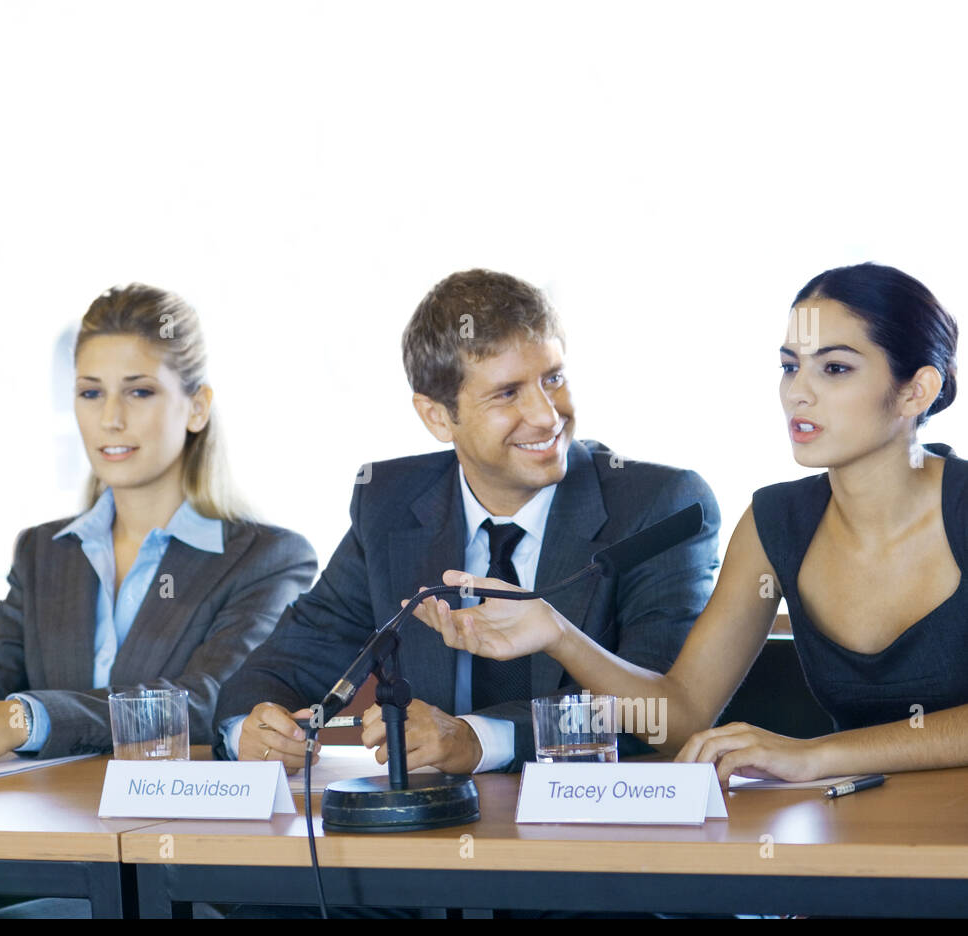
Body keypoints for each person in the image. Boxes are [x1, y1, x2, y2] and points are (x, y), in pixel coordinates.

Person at [412, 262, 968, 783]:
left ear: (915, 390)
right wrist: (558, 635)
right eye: (790, 366)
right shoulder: (775, 522)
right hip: (868, 831)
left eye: (836, 368)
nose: (798, 392)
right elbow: (679, 719)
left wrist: (814, 753)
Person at [0, 282, 316, 917]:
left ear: (196, 407)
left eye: (139, 391)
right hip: (48, 843)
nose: (111, 418)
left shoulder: (267, 556)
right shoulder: (44, 551)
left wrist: (21, 719)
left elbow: (207, 703)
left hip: (182, 863)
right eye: (90, 393)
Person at [214, 268, 721, 775]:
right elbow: (289, 661)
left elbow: (658, 713)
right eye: (507, 393)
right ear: (437, 417)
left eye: (554, 379)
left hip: (596, 832)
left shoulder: (659, 507)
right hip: (441, 835)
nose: (546, 416)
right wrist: (251, 730)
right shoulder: (390, 504)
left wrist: (477, 738)